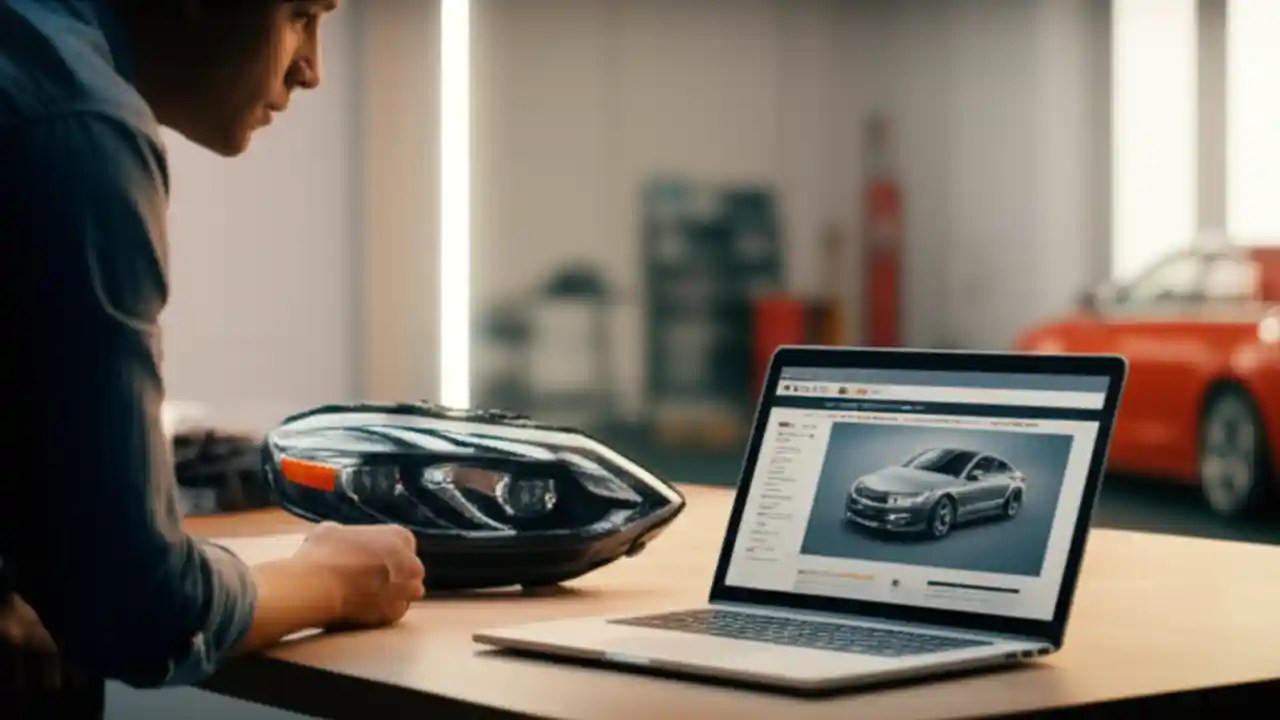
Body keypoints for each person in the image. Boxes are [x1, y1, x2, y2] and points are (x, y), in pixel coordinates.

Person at [0, 0, 426, 715]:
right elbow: (138, 606)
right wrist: (330, 581)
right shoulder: (80, 128)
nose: (312, 70)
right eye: (300, 14)